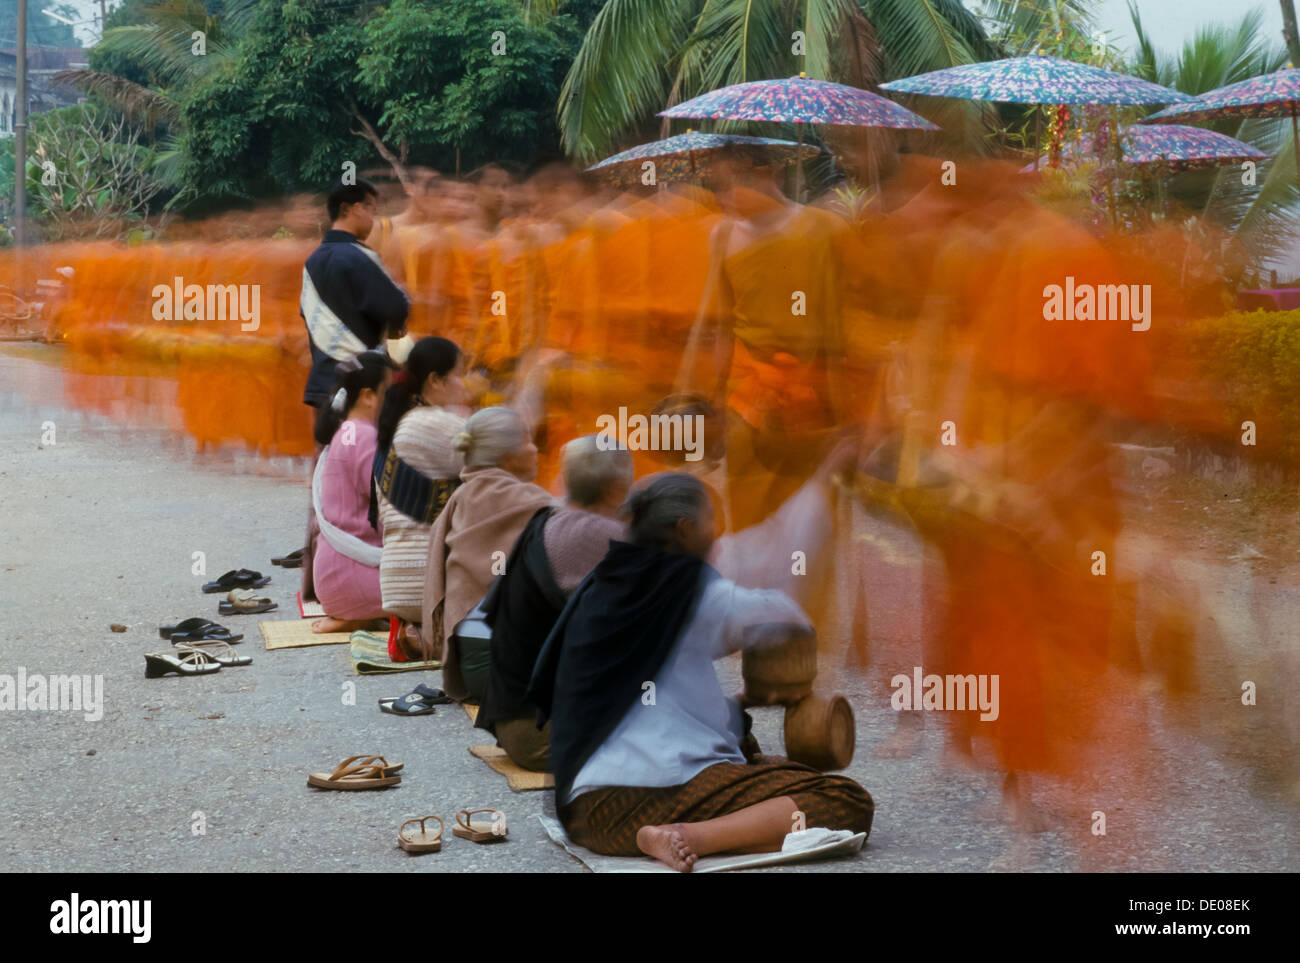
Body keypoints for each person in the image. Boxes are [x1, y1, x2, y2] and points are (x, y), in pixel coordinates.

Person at [527, 472, 873, 872]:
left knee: (751, 750)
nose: (718, 534)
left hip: (591, 816)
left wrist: (743, 701)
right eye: (712, 522)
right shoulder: (690, 589)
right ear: (686, 529)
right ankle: (691, 836)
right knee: (844, 800)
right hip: (652, 798)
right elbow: (783, 614)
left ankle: (661, 835)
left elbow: (654, 702)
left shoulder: (604, 582)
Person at [474, 435, 634, 771]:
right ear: (615, 489)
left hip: (515, 722)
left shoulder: (547, 520)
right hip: (546, 735)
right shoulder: (602, 534)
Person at [299, 178, 410, 602]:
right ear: (352, 208)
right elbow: (397, 309)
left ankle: (317, 584)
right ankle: (377, 583)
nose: (374, 218)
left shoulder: (311, 262)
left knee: (326, 490)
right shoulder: (362, 258)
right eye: (370, 208)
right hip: (365, 387)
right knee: (372, 490)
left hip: (325, 385)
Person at [420, 407, 554, 699]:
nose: (536, 449)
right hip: (518, 670)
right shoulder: (533, 502)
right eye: (529, 440)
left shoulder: (459, 499)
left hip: (469, 668)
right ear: (508, 457)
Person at [373, 337, 469, 657]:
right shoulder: (435, 424)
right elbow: (506, 456)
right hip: (429, 590)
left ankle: (415, 629)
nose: (465, 384)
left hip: (396, 586)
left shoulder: (403, 421)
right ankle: (430, 629)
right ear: (436, 380)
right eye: (460, 374)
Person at [310, 351, 394, 633]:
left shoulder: (346, 432)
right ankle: (358, 613)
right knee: (438, 590)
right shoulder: (364, 436)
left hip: (334, 578)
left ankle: (353, 614)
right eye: (389, 392)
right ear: (369, 396)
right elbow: (390, 502)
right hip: (355, 578)